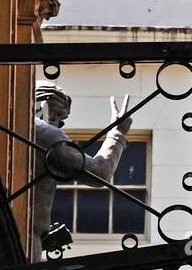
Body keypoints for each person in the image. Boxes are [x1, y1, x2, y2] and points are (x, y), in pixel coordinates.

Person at [31, 80, 132, 259]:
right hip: (25, 241)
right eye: (56, 116)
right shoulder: (45, 134)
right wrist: (117, 133)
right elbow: (100, 173)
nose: (58, 125)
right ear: (40, 106)